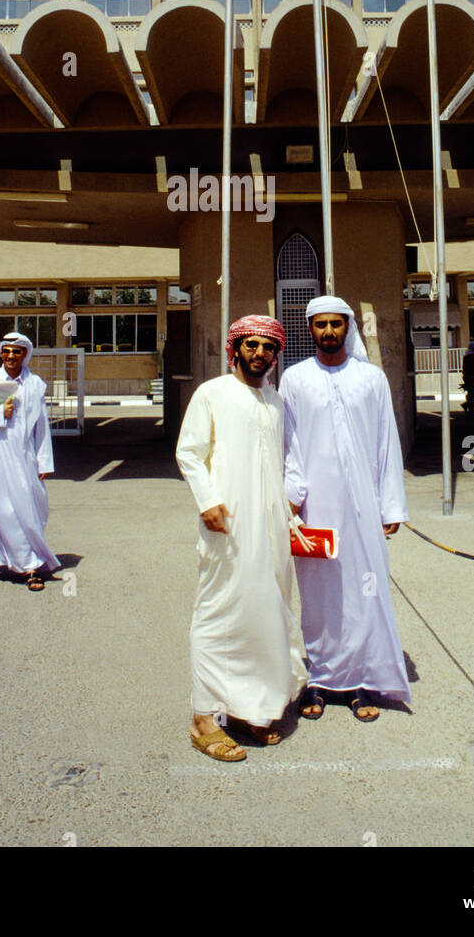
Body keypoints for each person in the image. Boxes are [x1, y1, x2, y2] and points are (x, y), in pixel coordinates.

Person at [176, 315, 306, 762]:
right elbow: (189, 453)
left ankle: (250, 708)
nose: (259, 354)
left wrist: (289, 515)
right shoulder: (212, 393)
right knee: (218, 614)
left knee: (266, 610)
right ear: (236, 349)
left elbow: (276, 465)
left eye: (268, 348)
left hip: (269, 526)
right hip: (226, 523)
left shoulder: (273, 402)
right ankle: (202, 719)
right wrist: (207, 501)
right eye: (251, 345)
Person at [280, 296, 411, 721]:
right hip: (317, 507)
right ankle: (318, 680)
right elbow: (290, 446)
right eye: (321, 325)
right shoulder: (294, 379)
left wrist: (390, 504)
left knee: (364, 590)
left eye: (336, 324)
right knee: (319, 595)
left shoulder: (371, 380)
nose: (329, 332)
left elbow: (386, 443)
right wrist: (291, 500)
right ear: (310, 330)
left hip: (362, 508)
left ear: (348, 327)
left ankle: (360, 682)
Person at [0, 332, 59, 590]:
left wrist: (44, 461)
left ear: (25, 354)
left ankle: (30, 561)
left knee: (27, 507)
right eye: (6, 351)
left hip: (23, 455)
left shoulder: (36, 384)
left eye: (17, 351)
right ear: (0, 353)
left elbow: (41, 426)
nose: (11, 356)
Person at [461, 340, 474, 414]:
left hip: (469, 376)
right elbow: (468, 368)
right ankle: (468, 406)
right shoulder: (469, 357)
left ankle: (469, 406)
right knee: (473, 392)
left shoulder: (469, 356)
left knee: (473, 392)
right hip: (469, 377)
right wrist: (472, 377)